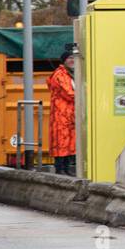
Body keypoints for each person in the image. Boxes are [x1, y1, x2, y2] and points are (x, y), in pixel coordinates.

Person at [49, 48, 77, 176]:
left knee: (69, 142)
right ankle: (60, 168)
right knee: (61, 142)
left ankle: (66, 168)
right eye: (69, 58)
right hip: (61, 115)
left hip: (70, 114)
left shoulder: (71, 74)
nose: (72, 60)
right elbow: (69, 93)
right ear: (64, 61)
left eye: (73, 58)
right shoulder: (60, 75)